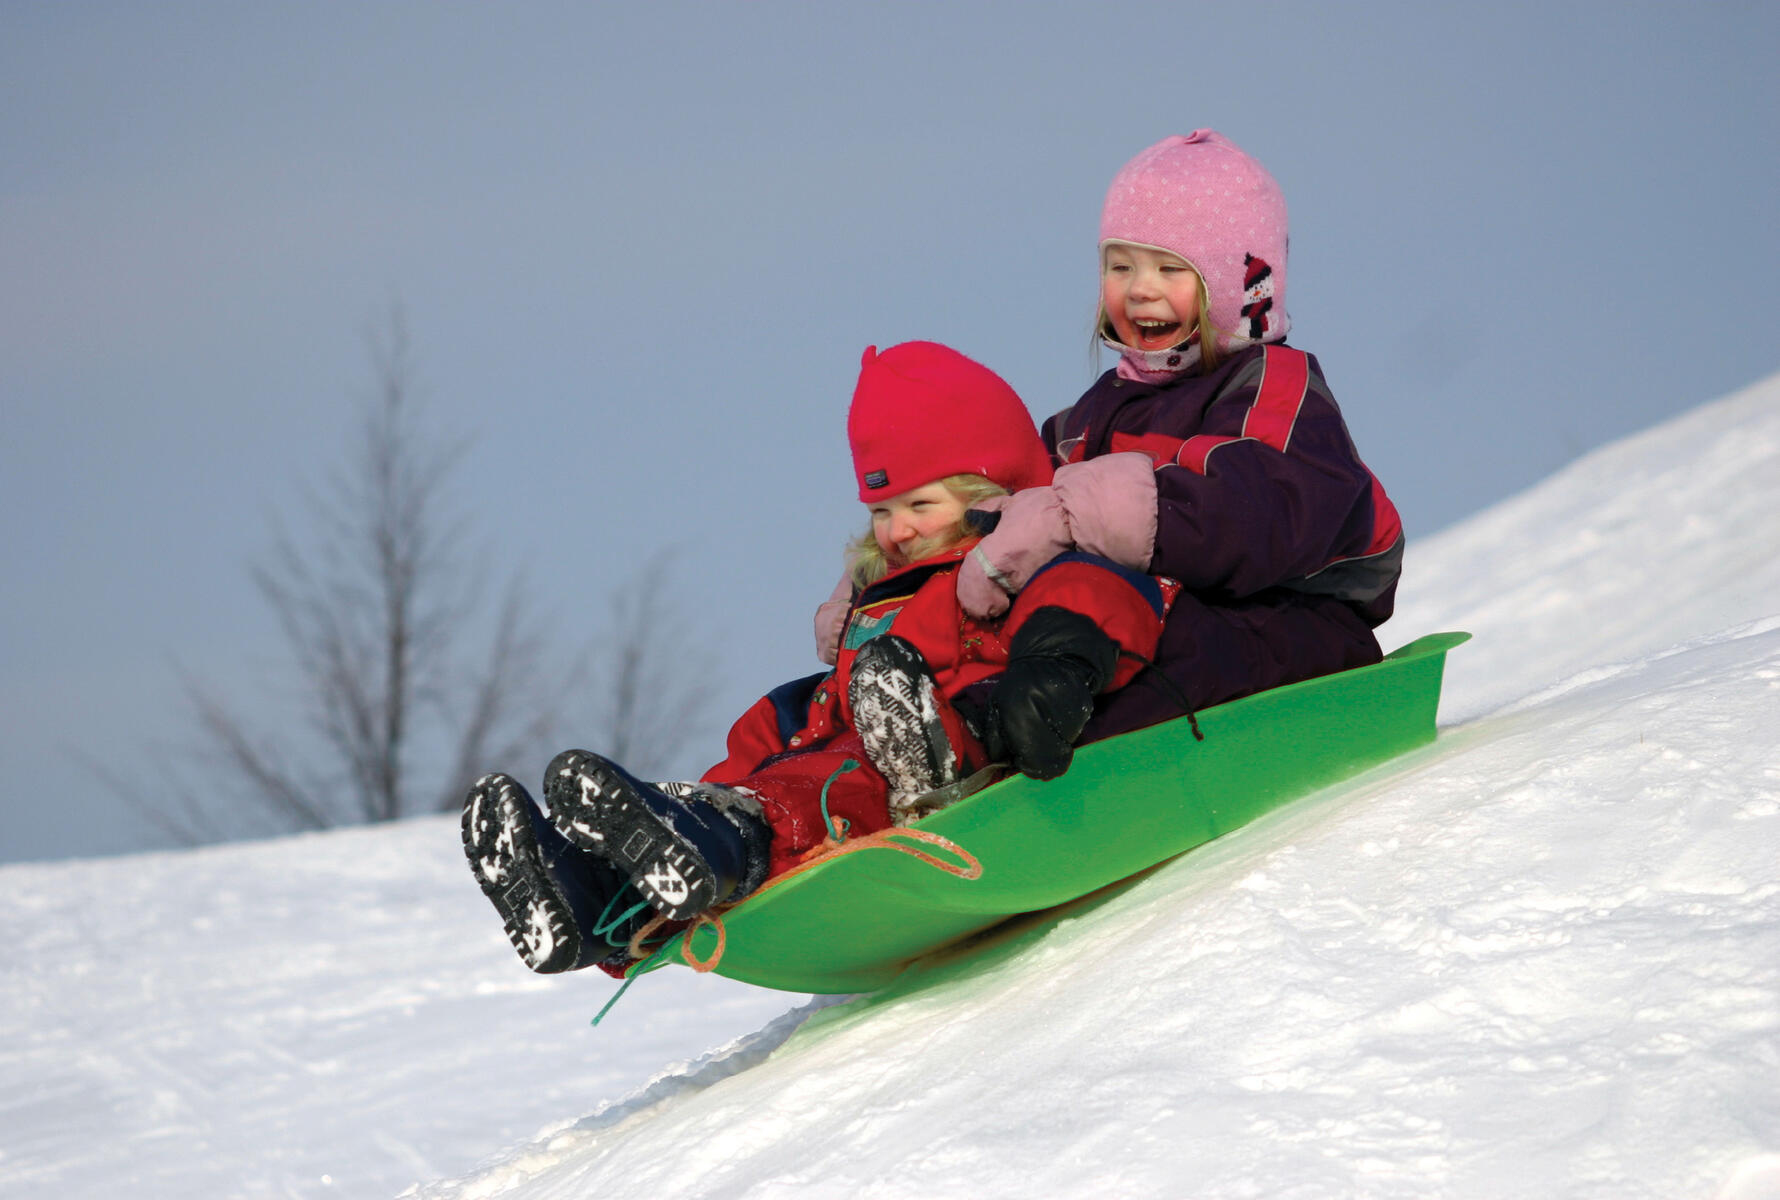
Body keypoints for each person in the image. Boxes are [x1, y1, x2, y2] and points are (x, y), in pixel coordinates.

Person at [462, 341, 1169, 976]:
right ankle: (600, 898)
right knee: (774, 746)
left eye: (918, 504)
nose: (896, 530)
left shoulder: (1024, 564)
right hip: (852, 738)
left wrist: (1056, 667)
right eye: (880, 511)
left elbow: (1099, 597)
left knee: (817, 790)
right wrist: (755, 752)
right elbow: (810, 715)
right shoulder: (876, 599)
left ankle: (720, 839)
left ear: (992, 492)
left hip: (946, 756)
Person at [886, 130, 1404, 746]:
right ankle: (939, 734)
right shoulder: (1091, 416)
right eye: (1120, 266)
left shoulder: (1272, 386)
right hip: (1151, 621)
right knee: (1015, 619)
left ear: (1242, 283)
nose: (1140, 288)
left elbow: (1256, 516)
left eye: (1170, 268)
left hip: (1297, 629)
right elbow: (1010, 491)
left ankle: (1000, 735)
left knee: (1145, 630)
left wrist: (1071, 516)